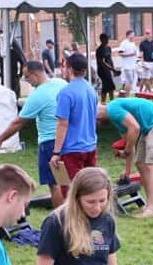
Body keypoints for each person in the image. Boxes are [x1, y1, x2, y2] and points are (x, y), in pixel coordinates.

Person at [0, 61, 68, 208]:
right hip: (67, 139)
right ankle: (72, 215)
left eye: (27, 77)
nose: (26, 81)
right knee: (66, 182)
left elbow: (18, 122)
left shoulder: (38, 95)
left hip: (50, 143)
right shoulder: (61, 83)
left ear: (36, 74)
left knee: (55, 184)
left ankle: (62, 220)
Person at [99, 96, 153, 216]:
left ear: (98, 115)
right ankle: (149, 205)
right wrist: (127, 170)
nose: (99, 123)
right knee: (140, 163)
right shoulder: (117, 119)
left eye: (97, 121)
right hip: (149, 128)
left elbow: (135, 128)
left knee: (151, 165)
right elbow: (130, 141)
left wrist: (127, 150)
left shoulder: (113, 109)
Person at [52, 53, 98, 196]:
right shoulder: (91, 90)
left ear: (69, 69)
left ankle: (73, 218)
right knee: (90, 189)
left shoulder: (66, 93)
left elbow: (62, 124)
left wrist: (56, 152)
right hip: (90, 146)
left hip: (72, 149)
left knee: (71, 192)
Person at [96, 33, 117, 103]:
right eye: (106, 39)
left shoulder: (108, 48)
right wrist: (113, 69)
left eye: (108, 38)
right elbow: (102, 62)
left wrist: (113, 68)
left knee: (109, 87)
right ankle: (105, 102)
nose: (108, 40)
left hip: (108, 70)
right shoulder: (99, 50)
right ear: (102, 40)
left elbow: (110, 59)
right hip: (102, 71)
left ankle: (110, 102)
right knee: (107, 87)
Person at [117, 30, 139, 97]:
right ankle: (127, 96)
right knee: (129, 81)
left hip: (133, 65)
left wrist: (138, 58)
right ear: (128, 35)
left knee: (131, 81)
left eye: (134, 35)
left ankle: (124, 93)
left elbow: (135, 54)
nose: (133, 36)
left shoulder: (133, 43)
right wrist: (130, 54)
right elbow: (120, 53)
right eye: (132, 35)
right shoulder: (124, 43)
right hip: (126, 66)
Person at [138, 30, 153, 94]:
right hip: (146, 62)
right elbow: (141, 54)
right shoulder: (142, 43)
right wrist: (142, 63)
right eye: (146, 33)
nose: (147, 35)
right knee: (146, 78)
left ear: (151, 34)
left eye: (148, 33)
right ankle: (149, 91)